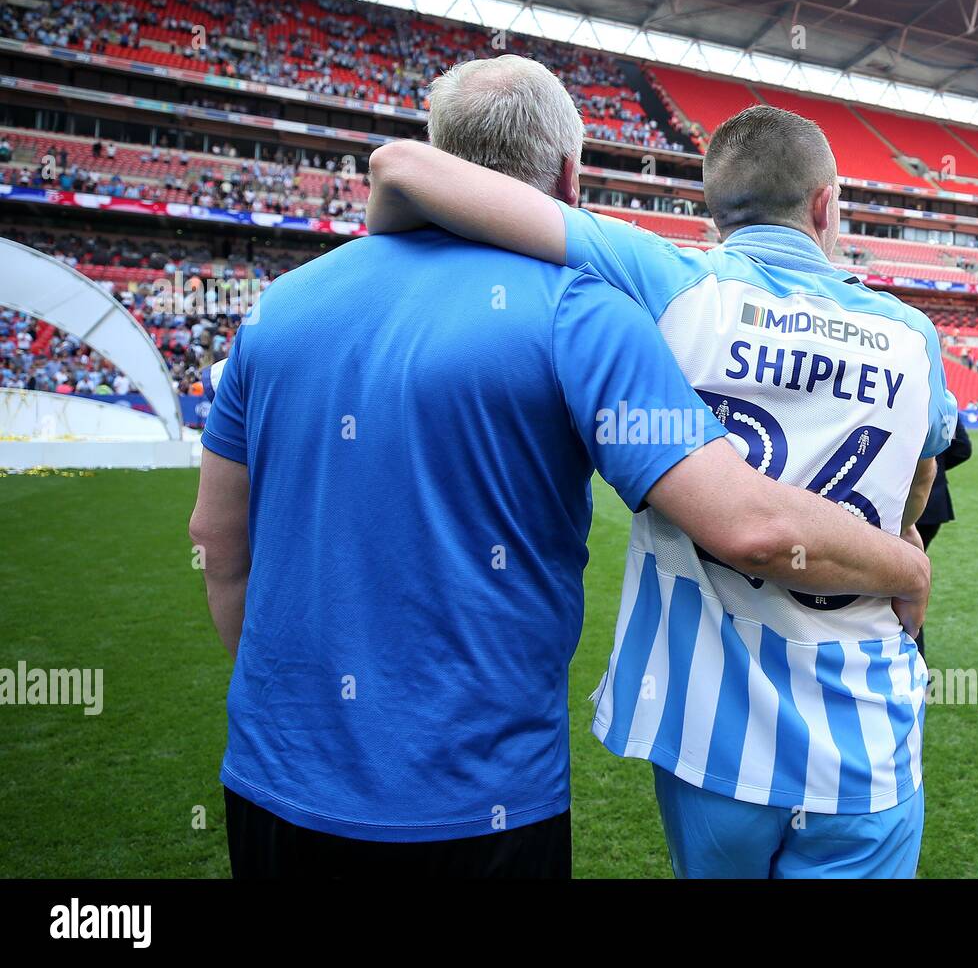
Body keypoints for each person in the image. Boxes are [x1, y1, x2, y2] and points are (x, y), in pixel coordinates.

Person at [190, 58, 930, 881]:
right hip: (479, 798)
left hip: (272, 779)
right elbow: (749, 523)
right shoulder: (580, 310)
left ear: (441, 150)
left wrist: (299, 724)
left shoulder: (275, 308)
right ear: (572, 173)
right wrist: (904, 560)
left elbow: (217, 542)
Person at [367, 101, 957, 879]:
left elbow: (405, 165)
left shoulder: (670, 279)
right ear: (825, 205)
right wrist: (904, 547)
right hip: (867, 735)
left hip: (710, 732)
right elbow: (923, 469)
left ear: (714, 211)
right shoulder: (914, 334)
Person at [913, 419, 972, 658]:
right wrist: (936, 473)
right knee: (910, 578)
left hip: (901, 502)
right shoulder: (941, 398)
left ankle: (912, 661)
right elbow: (963, 449)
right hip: (934, 505)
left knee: (896, 583)